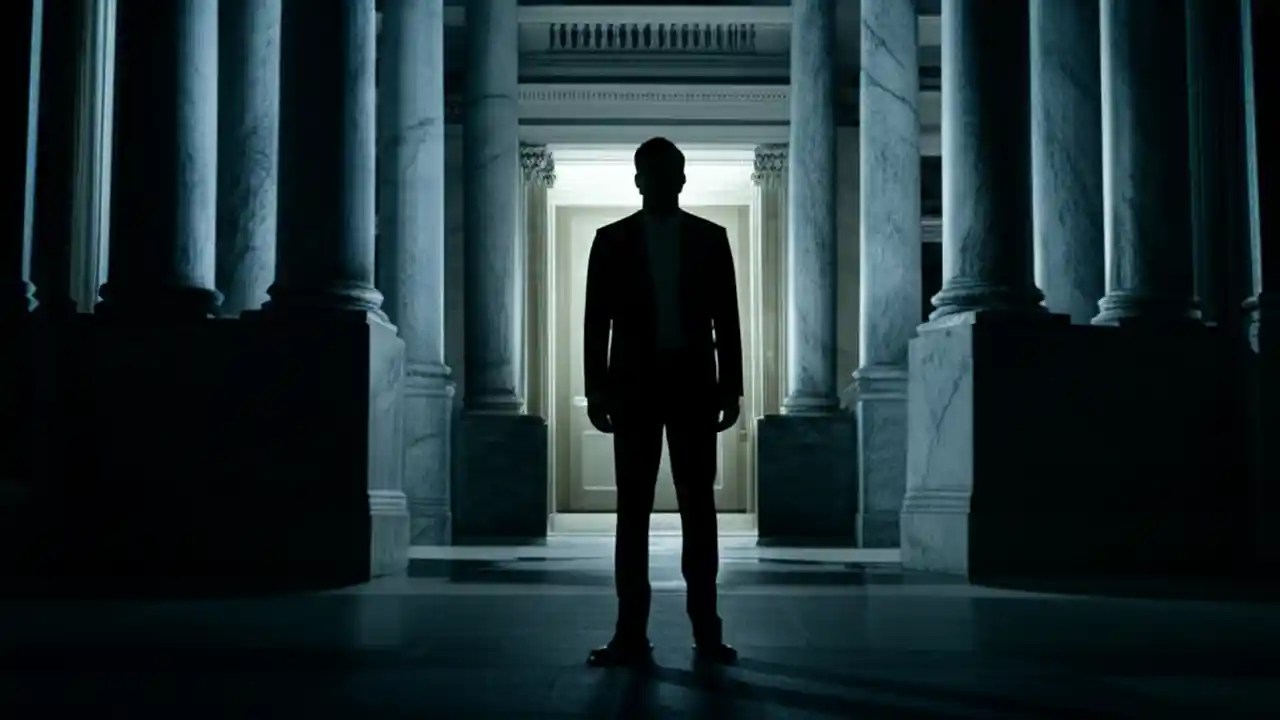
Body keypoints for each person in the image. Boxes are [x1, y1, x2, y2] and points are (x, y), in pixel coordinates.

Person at [582, 137, 743, 667]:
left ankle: (706, 632)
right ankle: (631, 633)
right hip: (635, 387)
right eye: (652, 174)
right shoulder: (610, 241)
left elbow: (727, 320)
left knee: (699, 511)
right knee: (633, 513)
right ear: (639, 181)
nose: (660, 182)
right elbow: (596, 323)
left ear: (680, 179)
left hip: (692, 385)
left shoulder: (710, 239)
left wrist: (731, 387)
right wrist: (596, 389)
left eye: (668, 173)